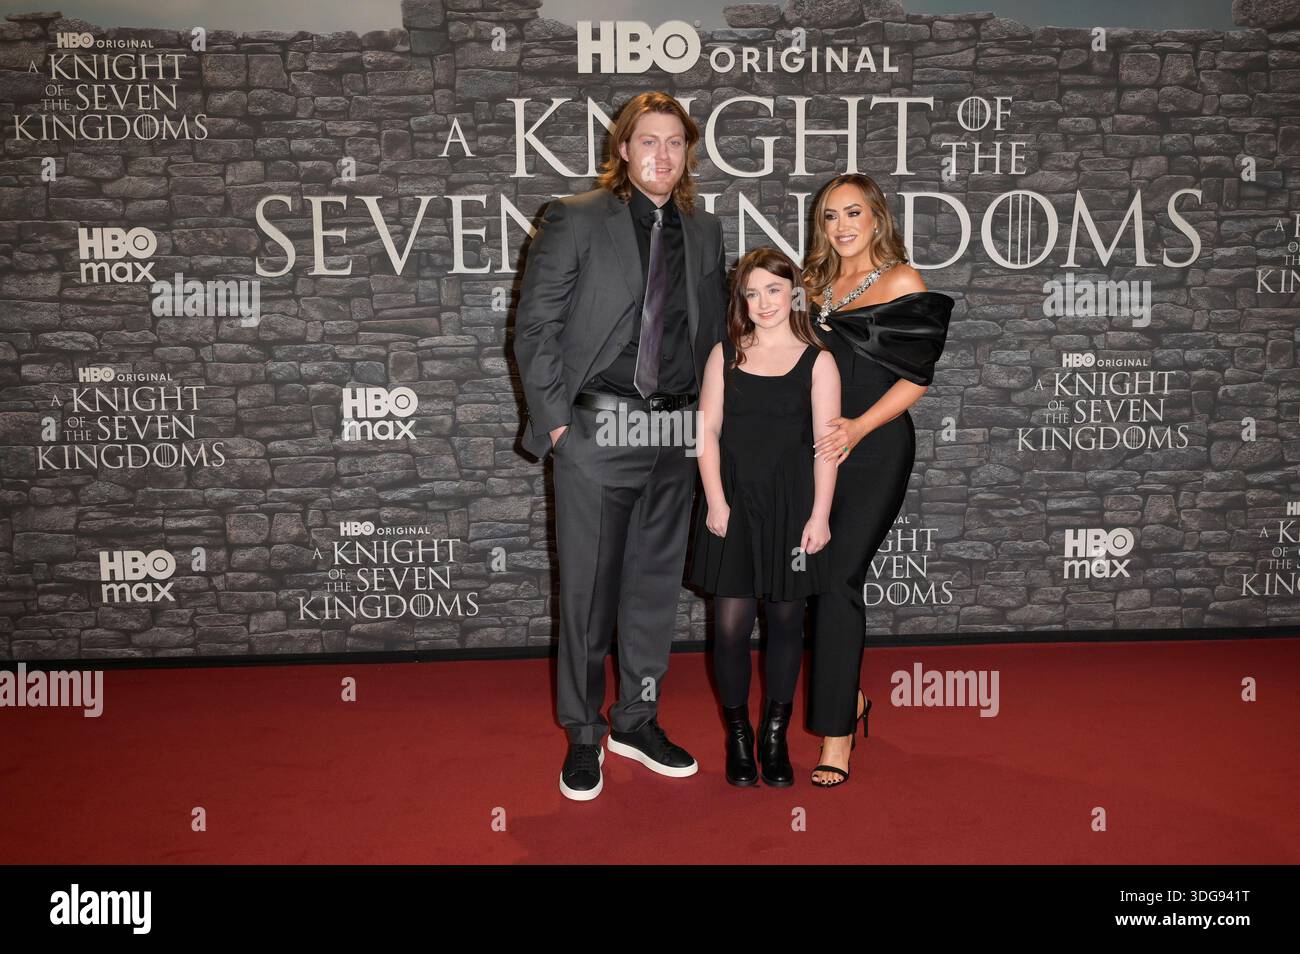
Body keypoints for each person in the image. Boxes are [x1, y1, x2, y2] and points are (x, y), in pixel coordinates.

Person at [514, 92, 729, 801]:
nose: (661, 155)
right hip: (597, 430)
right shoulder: (573, 219)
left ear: (687, 152)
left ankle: (636, 719)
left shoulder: (703, 228)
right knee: (587, 592)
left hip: (672, 432)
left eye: (674, 143)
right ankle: (583, 735)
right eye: (648, 141)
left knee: (651, 593)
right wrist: (556, 426)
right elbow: (535, 329)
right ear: (623, 149)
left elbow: (709, 338)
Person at [801, 174, 954, 787]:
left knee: (838, 579)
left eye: (853, 213)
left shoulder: (901, 282)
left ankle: (836, 737)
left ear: (877, 217)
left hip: (873, 447)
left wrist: (858, 428)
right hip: (814, 452)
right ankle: (850, 699)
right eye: (831, 215)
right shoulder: (813, 286)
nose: (842, 226)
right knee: (814, 582)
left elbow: (916, 380)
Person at [689, 247, 841, 787]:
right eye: (751, 293)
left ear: (793, 293)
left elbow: (827, 447)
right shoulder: (725, 354)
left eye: (772, 290)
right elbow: (705, 431)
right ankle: (737, 737)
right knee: (729, 630)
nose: (762, 302)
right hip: (732, 501)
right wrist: (715, 501)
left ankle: (773, 736)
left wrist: (820, 515)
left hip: (792, 508)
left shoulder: (818, 360)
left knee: (783, 623)